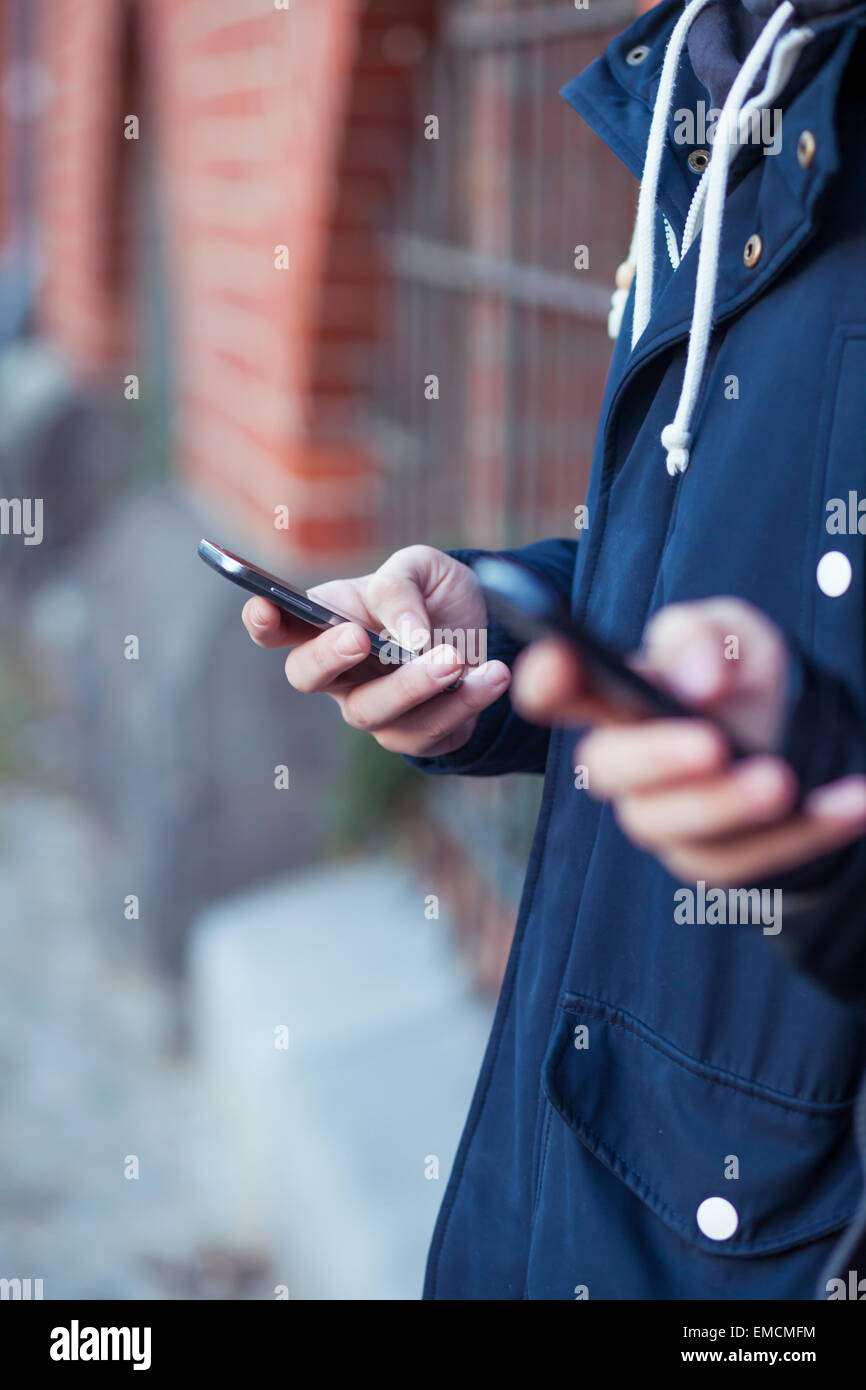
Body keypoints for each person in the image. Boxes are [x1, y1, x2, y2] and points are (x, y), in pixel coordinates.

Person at [243, 0, 866, 1299]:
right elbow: (713, 582)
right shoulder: (717, 81)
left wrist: (817, 824)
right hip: (562, 1195)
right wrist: (500, 630)